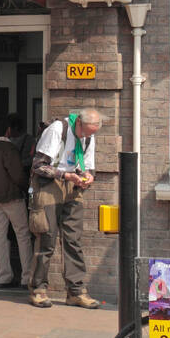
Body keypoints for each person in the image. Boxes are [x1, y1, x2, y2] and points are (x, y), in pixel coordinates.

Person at [28, 107, 104, 309]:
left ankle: (76, 292)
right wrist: (64, 175)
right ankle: (38, 289)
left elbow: (88, 165)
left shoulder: (89, 136)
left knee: (73, 239)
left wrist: (89, 176)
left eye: (92, 133)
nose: (88, 136)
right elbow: (38, 165)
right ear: (78, 122)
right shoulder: (57, 130)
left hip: (73, 185)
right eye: (85, 132)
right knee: (47, 237)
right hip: (50, 185)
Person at [0, 113, 32, 288]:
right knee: (23, 235)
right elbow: (17, 175)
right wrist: (27, 187)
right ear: (9, 130)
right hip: (12, 197)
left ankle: (2, 276)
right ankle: (27, 276)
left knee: (0, 236)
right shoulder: (9, 149)